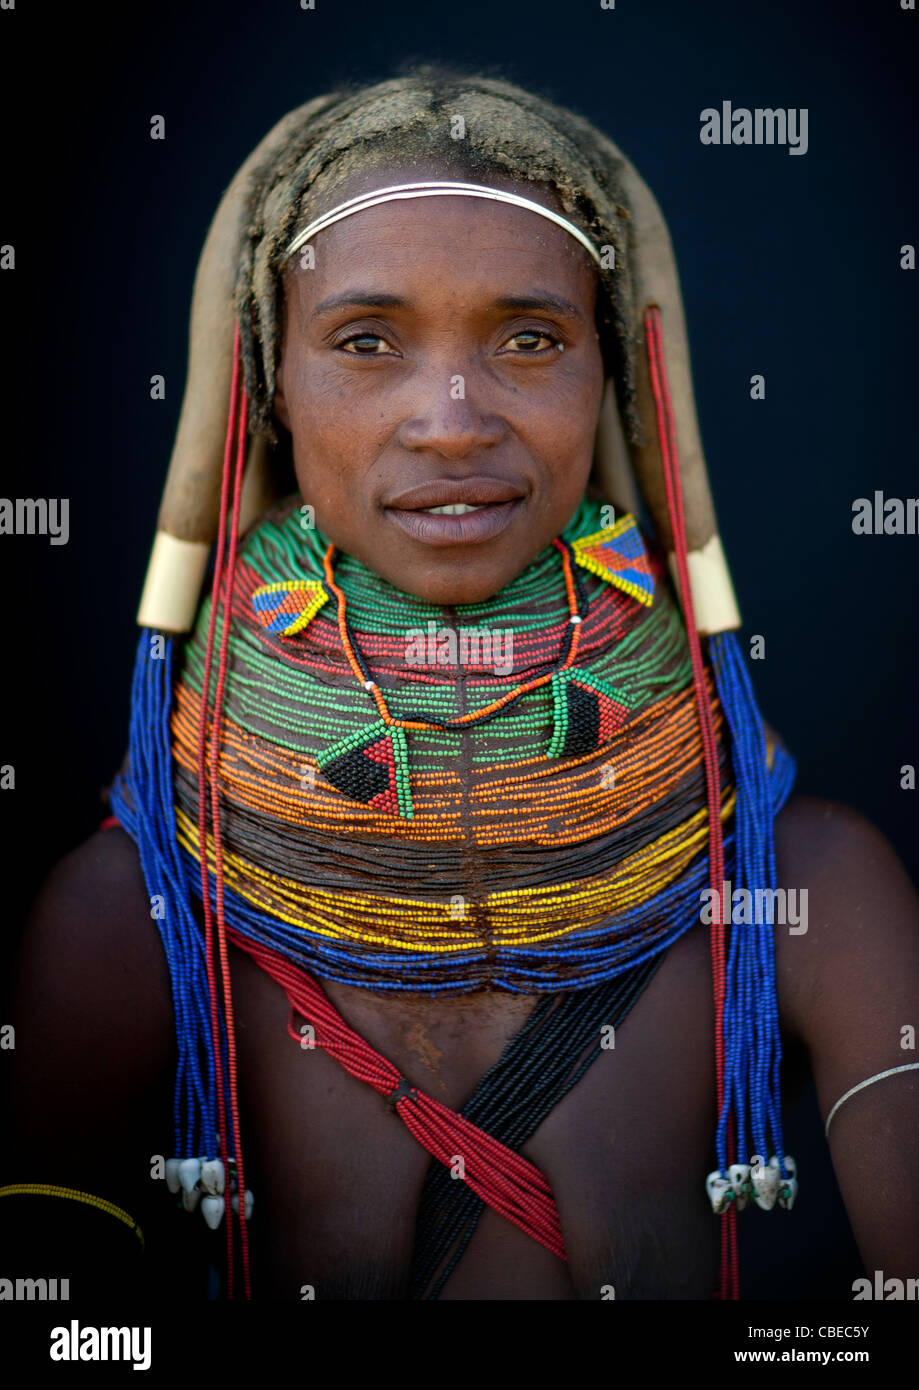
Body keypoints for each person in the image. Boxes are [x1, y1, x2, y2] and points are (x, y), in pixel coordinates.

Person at [5, 67, 919, 1302]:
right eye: (367, 340)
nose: (450, 419)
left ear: (610, 380)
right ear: (271, 386)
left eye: (529, 338)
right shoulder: (133, 919)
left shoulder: (799, 889)